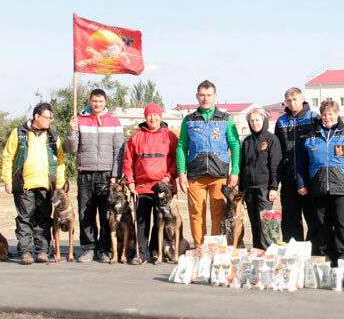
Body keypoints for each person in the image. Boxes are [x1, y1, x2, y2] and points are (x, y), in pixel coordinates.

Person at [296, 100, 344, 266]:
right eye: (325, 115)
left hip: (343, 187)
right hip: (318, 186)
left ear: (337, 114)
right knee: (322, 224)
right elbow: (301, 163)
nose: (327, 118)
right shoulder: (311, 136)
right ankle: (327, 256)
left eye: (331, 114)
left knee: (342, 223)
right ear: (321, 116)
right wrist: (301, 183)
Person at [176, 80, 241, 247]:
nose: (205, 99)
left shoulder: (226, 119)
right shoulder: (189, 120)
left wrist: (235, 171)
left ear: (215, 96)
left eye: (209, 95)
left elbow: (234, 144)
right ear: (197, 96)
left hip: (219, 175)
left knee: (218, 215)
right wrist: (181, 174)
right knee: (196, 214)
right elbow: (182, 146)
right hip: (195, 176)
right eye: (202, 95)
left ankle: (215, 250)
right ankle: (200, 250)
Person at [64, 89, 125, 263]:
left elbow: (119, 151)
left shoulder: (114, 122)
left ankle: (104, 248)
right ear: (89, 101)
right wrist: (71, 131)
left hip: (106, 175)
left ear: (105, 101)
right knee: (86, 213)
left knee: (106, 214)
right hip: (85, 172)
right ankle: (88, 248)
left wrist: (115, 175)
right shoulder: (80, 120)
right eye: (94, 101)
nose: (97, 104)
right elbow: (71, 149)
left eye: (100, 101)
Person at [1, 102, 66, 265]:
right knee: (25, 218)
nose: (50, 121)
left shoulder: (53, 137)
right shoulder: (19, 133)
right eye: (47, 117)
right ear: (37, 116)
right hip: (24, 184)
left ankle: (42, 251)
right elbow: (8, 157)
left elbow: (60, 162)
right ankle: (25, 251)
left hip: (45, 185)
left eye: (51, 118)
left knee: (44, 219)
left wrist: (59, 183)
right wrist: (7, 180)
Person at [122, 102, 178, 264]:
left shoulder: (170, 136)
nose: (152, 118)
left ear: (160, 117)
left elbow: (176, 159)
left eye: (155, 115)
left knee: (160, 221)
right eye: (149, 115)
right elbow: (128, 161)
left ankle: (155, 251)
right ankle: (140, 253)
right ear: (145, 117)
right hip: (142, 187)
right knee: (141, 221)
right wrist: (130, 182)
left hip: (163, 187)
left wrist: (169, 177)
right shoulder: (136, 136)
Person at [274, 87, 321, 243]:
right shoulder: (281, 121)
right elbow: (278, 151)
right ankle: (293, 253)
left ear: (302, 99)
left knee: (314, 218)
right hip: (288, 177)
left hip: (309, 177)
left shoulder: (314, 118)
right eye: (289, 100)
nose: (292, 103)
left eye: (295, 99)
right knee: (290, 219)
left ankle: (314, 252)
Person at [239, 107, 282, 250]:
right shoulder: (246, 142)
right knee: (254, 223)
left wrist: (274, 187)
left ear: (263, 120)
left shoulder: (272, 139)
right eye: (252, 121)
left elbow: (275, 166)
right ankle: (257, 252)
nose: (255, 123)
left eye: (257, 120)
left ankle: (268, 252)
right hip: (249, 189)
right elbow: (243, 165)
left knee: (266, 223)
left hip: (264, 188)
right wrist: (241, 191)